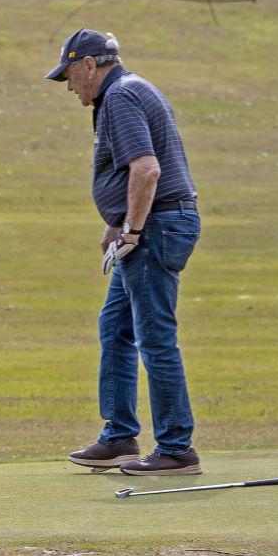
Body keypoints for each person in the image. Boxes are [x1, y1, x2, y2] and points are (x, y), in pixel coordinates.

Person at [47, 30, 205, 475]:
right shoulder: (126, 93)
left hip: (156, 228)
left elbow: (147, 168)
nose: (69, 87)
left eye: (70, 77)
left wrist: (132, 229)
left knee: (154, 337)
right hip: (148, 226)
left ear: (90, 66)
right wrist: (116, 224)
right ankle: (119, 437)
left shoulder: (120, 97)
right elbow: (136, 171)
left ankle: (176, 448)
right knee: (115, 327)